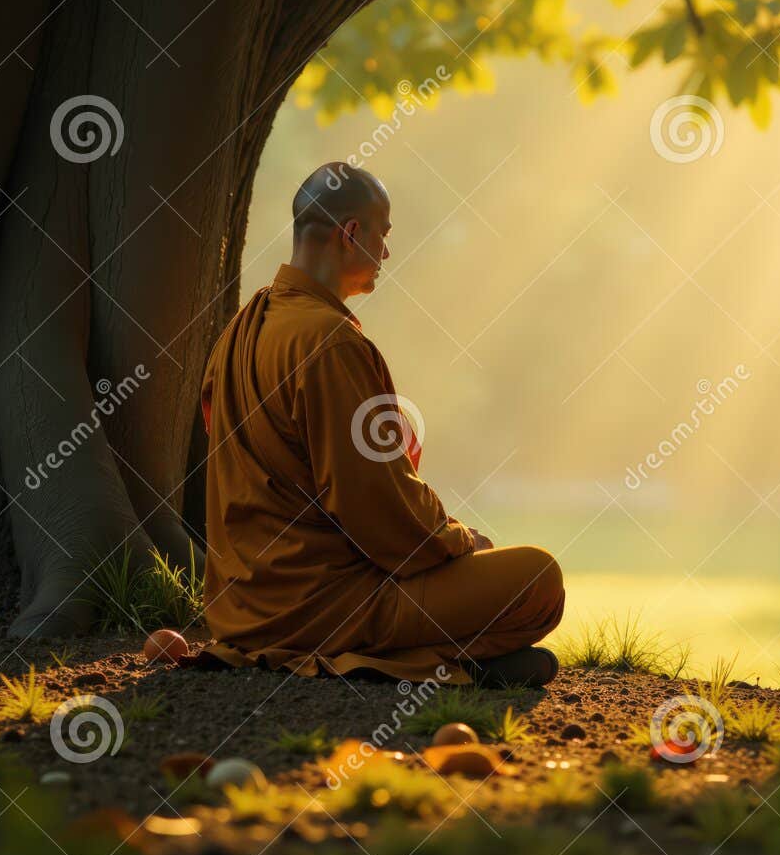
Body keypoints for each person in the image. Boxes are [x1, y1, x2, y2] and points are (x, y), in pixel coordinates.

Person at [196, 161, 564, 687]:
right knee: (537, 579)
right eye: (383, 235)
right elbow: (375, 508)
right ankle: (430, 663)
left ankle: (450, 662)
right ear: (351, 234)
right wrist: (459, 540)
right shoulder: (328, 341)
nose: (386, 253)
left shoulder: (241, 327)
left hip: (239, 607)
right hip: (321, 606)